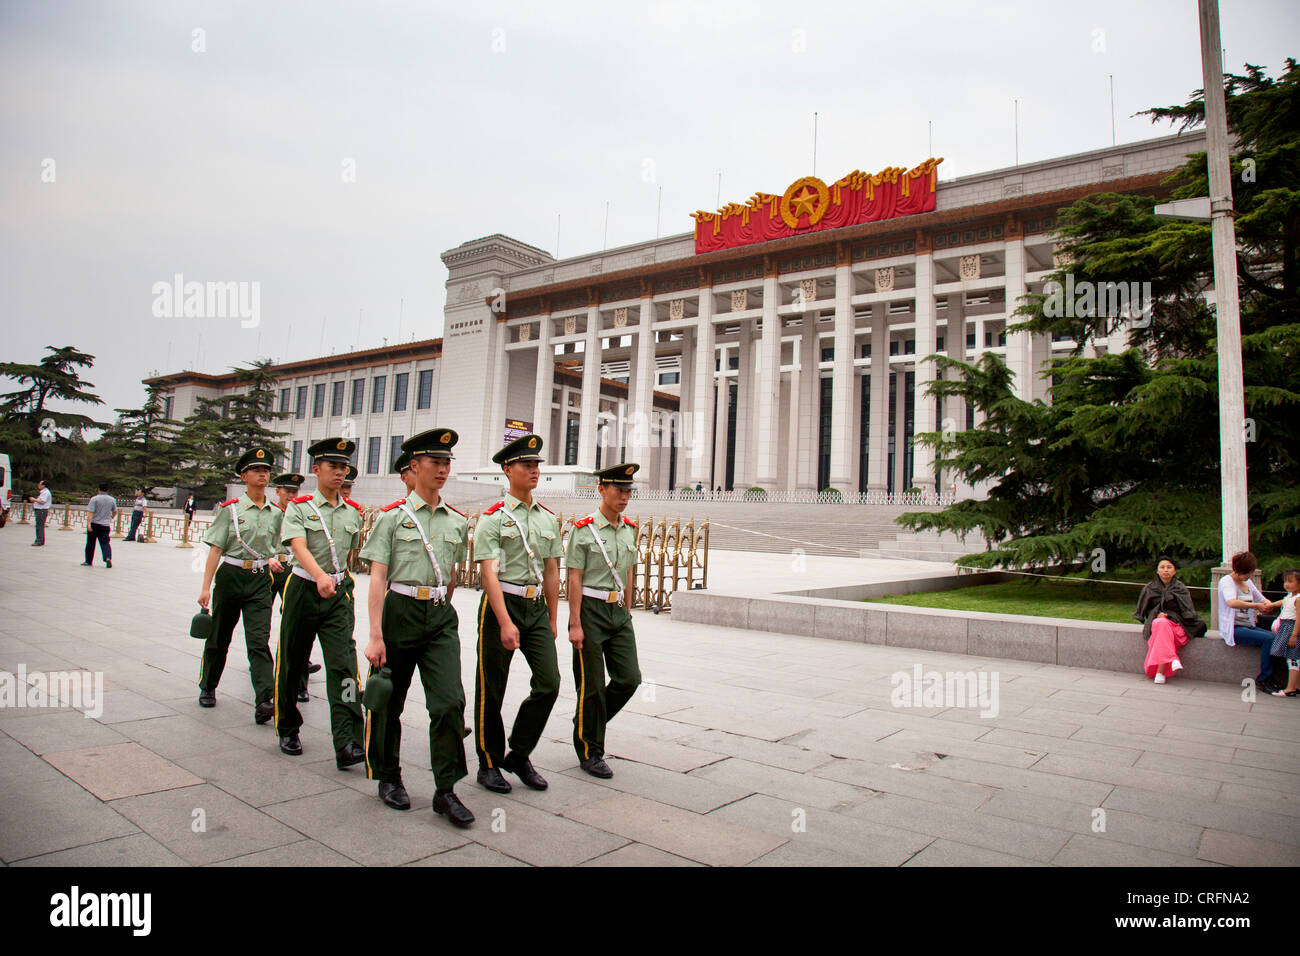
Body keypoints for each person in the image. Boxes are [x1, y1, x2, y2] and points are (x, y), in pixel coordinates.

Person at [360, 428, 475, 826]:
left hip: (440, 617)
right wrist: (375, 634)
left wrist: (442, 603)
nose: (443, 469)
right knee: (390, 700)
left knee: (449, 703)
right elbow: (377, 577)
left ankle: (446, 790)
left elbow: (453, 573)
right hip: (400, 612)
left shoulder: (456, 522)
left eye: (447, 463)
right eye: (435, 462)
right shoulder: (391, 519)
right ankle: (389, 776)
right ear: (414, 466)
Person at [472, 433, 562, 794]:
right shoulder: (494, 518)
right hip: (501, 607)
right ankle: (488, 763)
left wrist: (553, 618)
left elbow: (553, 570)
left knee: (549, 683)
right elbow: (488, 572)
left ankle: (519, 752)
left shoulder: (547, 519)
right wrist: (505, 622)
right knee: (491, 689)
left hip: (536, 606)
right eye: (526, 465)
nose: (534, 471)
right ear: (507, 470)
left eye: (537, 465)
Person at [273, 438, 366, 767]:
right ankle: (287, 726)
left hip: (338, 594)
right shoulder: (300, 508)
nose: (340, 473)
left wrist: (338, 579)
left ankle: (348, 739)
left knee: (343, 666)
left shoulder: (353, 512)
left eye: (344, 467)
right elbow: (297, 546)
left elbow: (353, 553)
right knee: (292, 661)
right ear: (316, 470)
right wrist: (319, 575)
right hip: (303, 588)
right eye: (333, 467)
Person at [195, 448, 284, 722]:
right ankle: (208, 686)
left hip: (259, 582)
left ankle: (264, 700)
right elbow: (215, 550)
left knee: (258, 640)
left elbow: (281, 548)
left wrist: (274, 560)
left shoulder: (276, 513)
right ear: (244, 476)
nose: (262, 474)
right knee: (219, 636)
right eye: (256, 470)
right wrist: (205, 587)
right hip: (230, 577)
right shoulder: (229, 510)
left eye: (266, 470)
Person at [566, 462, 642, 778]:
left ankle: (587, 721)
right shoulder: (583, 530)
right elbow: (574, 576)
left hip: (618, 612)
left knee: (629, 678)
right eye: (618, 490)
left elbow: (628, 572)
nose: (624, 497)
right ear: (601, 489)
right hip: (591, 611)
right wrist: (574, 623)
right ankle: (590, 750)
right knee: (593, 686)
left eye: (628, 491)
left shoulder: (630, 530)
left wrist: (628, 608)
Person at [269, 471, 319, 702]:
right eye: (287, 490)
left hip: (294, 571)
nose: (291, 494)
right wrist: (267, 557)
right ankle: (262, 664)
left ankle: (300, 683)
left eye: (294, 491)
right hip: (269, 570)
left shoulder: (304, 510)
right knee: (259, 624)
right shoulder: (269, 512)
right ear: (277, 491)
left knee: (296, 627)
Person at [1133, 556, 1206, 684]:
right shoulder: (1150, 588)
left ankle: (1163, 669)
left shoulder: (1181, 588)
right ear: (1157, 571)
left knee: (1162, 624)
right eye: (1162, 567)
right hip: (1158, 626)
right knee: (1160, 623)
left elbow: (1188, 612)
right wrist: (1157, 614)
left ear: (1174, 571)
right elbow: (1145, 613)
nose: (1165, 570)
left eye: (1169, 567)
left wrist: (1170, 616)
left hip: (1178, 628)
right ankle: (1170, 661)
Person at [1217, 551, 1281, 692]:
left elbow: (1260, 598)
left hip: (1249, 624)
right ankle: (1265, 678)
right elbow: (1232, 602)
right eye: (1246, 573)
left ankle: (1273, 676)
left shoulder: (1248, 582)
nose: (1248, 576)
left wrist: (1266, 604)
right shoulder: (1226, 582)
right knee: (1269, 639)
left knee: (1276, 635)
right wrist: (1255, 606)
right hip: (1235, 628)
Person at [1264, 570, 1300, 698]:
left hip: (1292, 629)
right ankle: (1296, 686)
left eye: (1291, 581)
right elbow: (1282, 602)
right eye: (1285, 581)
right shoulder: (1290, 596)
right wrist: (1270, 606)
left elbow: (1299, 619)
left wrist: (1294, 635)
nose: (1287, 584)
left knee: (1293, 658)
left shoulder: (1298, 598)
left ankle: (1290, 688)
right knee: (1291, 658)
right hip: (1286, 628)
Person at [82, 484, 116, 568]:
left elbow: (91, 512)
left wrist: (88, 524)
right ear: (108, 490)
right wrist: (111, 517)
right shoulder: (112, 499)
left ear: (98, 489)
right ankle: (107, 557)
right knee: (105, 543)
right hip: (105, 525)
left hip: (94, 524)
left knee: (90, 543)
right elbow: (115, 511)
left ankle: (88, 561)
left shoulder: (94, 499)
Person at [31, 480, 52, 546]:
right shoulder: (43, 492)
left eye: (40, 484)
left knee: (39, 526)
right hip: (40, 510)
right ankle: (40, 540)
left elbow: (42, 501)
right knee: (39, 526)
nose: (38, 485)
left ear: (43, 486)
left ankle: (39, 541)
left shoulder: (45, 492)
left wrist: (34, 499)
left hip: (41, 510)